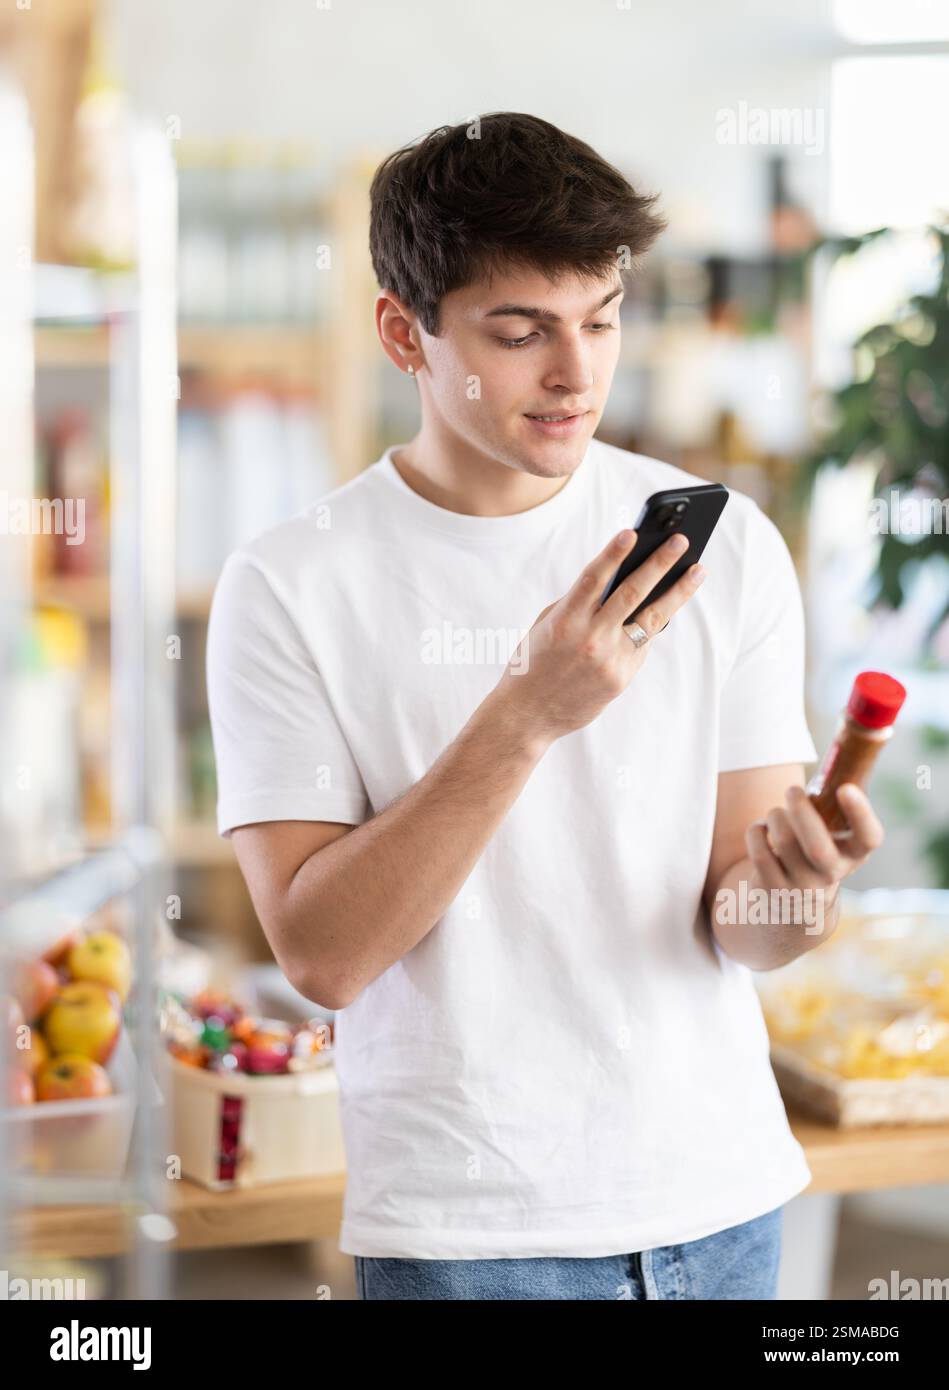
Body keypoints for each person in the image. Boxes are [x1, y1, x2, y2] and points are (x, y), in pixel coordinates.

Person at [206, 112, 886, 1301]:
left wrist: (800, 883)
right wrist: (526, 712)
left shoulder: (719, 546)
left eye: (602, 321)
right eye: (519, 334)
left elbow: (750, 930)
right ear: (402, 334)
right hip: (472, 1237)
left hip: (720, 1206)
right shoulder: (292, 582)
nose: (575, 375)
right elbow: (320, 954)